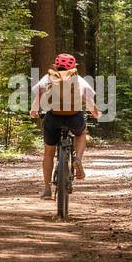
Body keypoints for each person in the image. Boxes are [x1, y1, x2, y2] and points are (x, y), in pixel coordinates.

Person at [30, 52, 100, 199]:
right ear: (74, 66)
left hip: (53, 117)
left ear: (56, 65)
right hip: (73, 117)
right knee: (80, 134)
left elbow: (39, 96)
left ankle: (47, 189)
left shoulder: (49, 77)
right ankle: (78, 159)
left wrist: (34, 110)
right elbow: (88, 100)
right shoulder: (78, 79)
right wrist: (95, 113)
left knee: (49, 152)